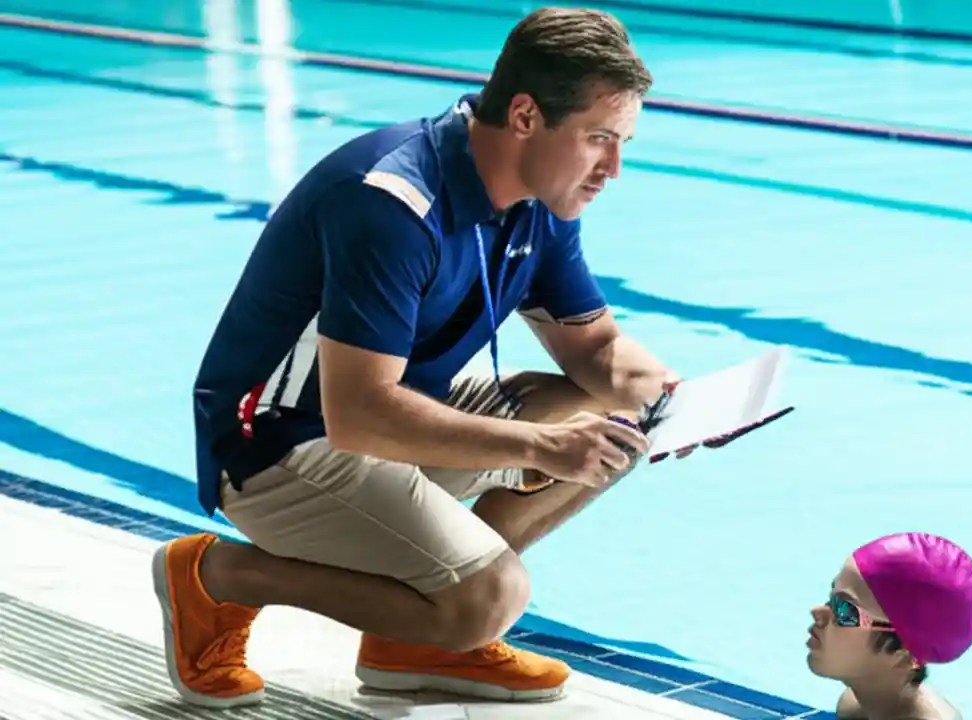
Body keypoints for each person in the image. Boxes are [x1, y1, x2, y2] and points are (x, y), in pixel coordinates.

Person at [151, 7, 693, 709]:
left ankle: (414, 638)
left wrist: (672, 400)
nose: (614, 169)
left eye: (621, 143)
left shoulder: (540, 204)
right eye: (598, 140)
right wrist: (543, 445)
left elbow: (596, 349)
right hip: (275, 446)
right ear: (525, 116)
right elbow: (359, 416)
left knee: (621, 418)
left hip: (392, 423)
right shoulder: (391, 203)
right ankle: (218, 577)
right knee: (490, 598)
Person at [806, 532, 972, 720]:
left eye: (845, 610)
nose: (817, 612)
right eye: (831, 598)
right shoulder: (855, 707)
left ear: (905, 653)